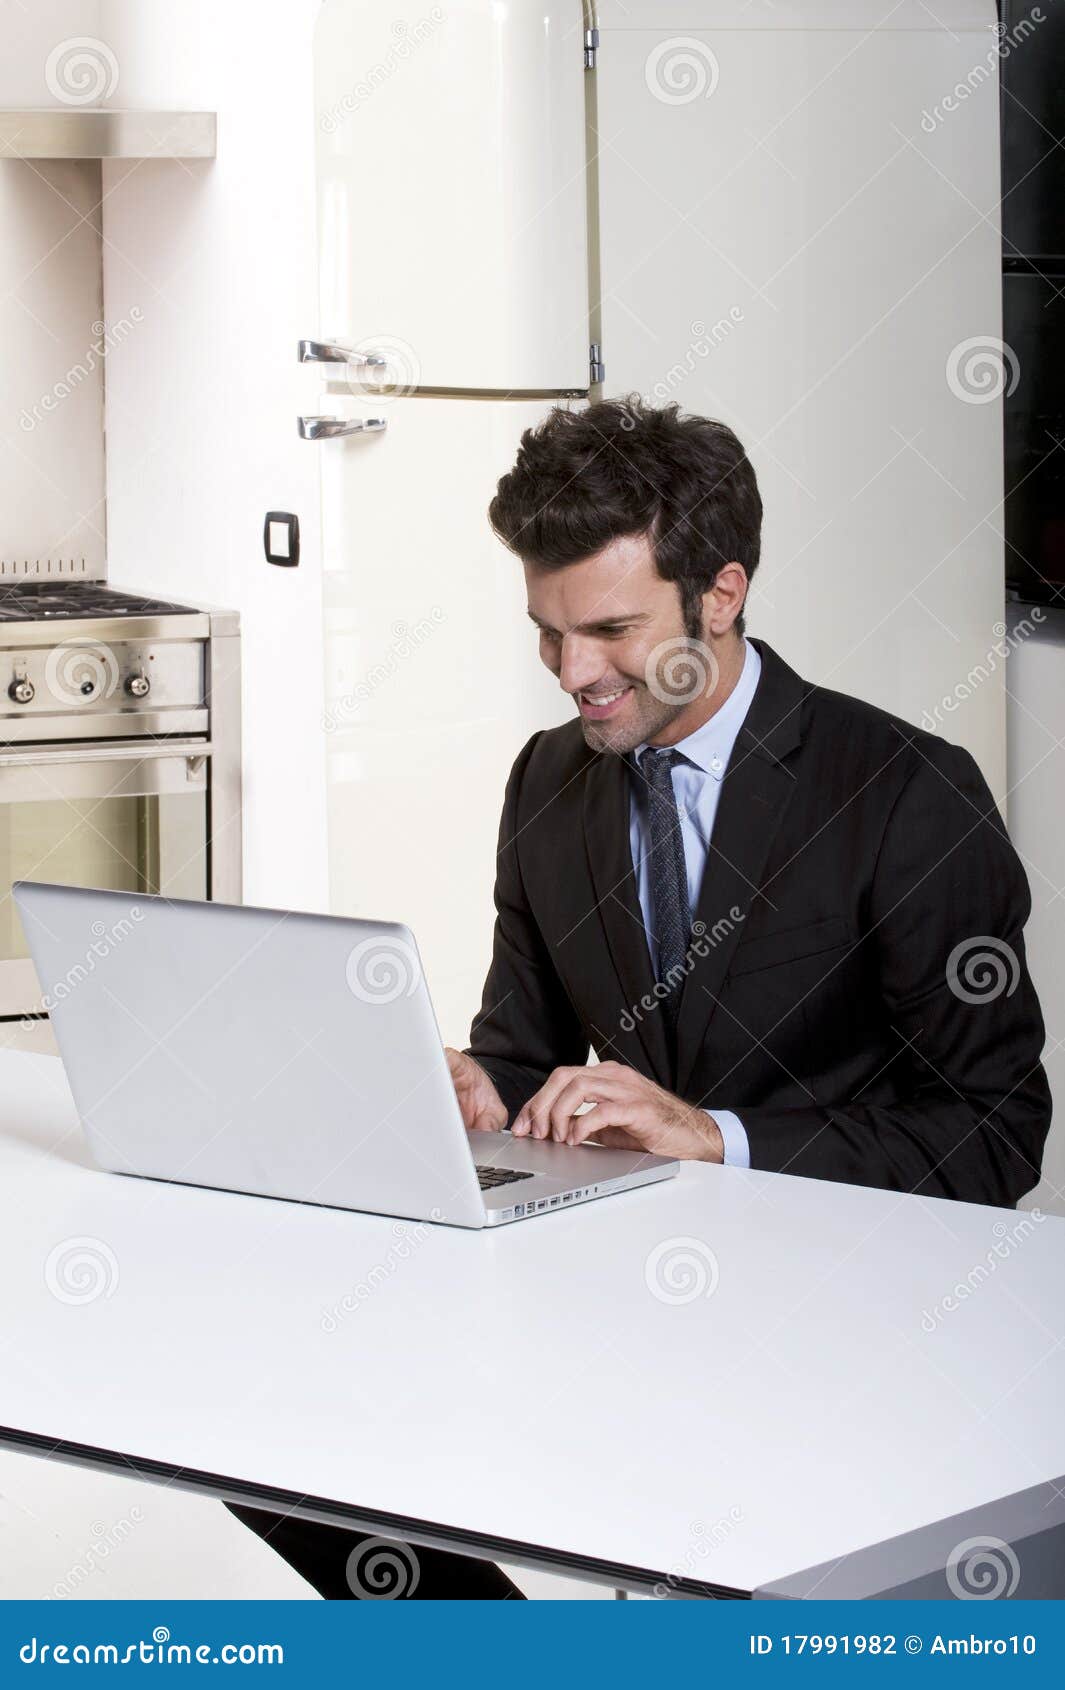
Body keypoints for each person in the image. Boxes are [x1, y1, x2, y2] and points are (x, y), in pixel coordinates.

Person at [233, 395, 1050, 1599]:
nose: (573, 674)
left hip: (850, 1320)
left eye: (610, 630)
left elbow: (995, 1133)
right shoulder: (551, 780)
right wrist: (473, 1085)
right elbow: (525, 1046)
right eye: (548, 633)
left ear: (721, 594)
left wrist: (712, 1139)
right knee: (291, 1415)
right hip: (618, 1289)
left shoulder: (904, 793)